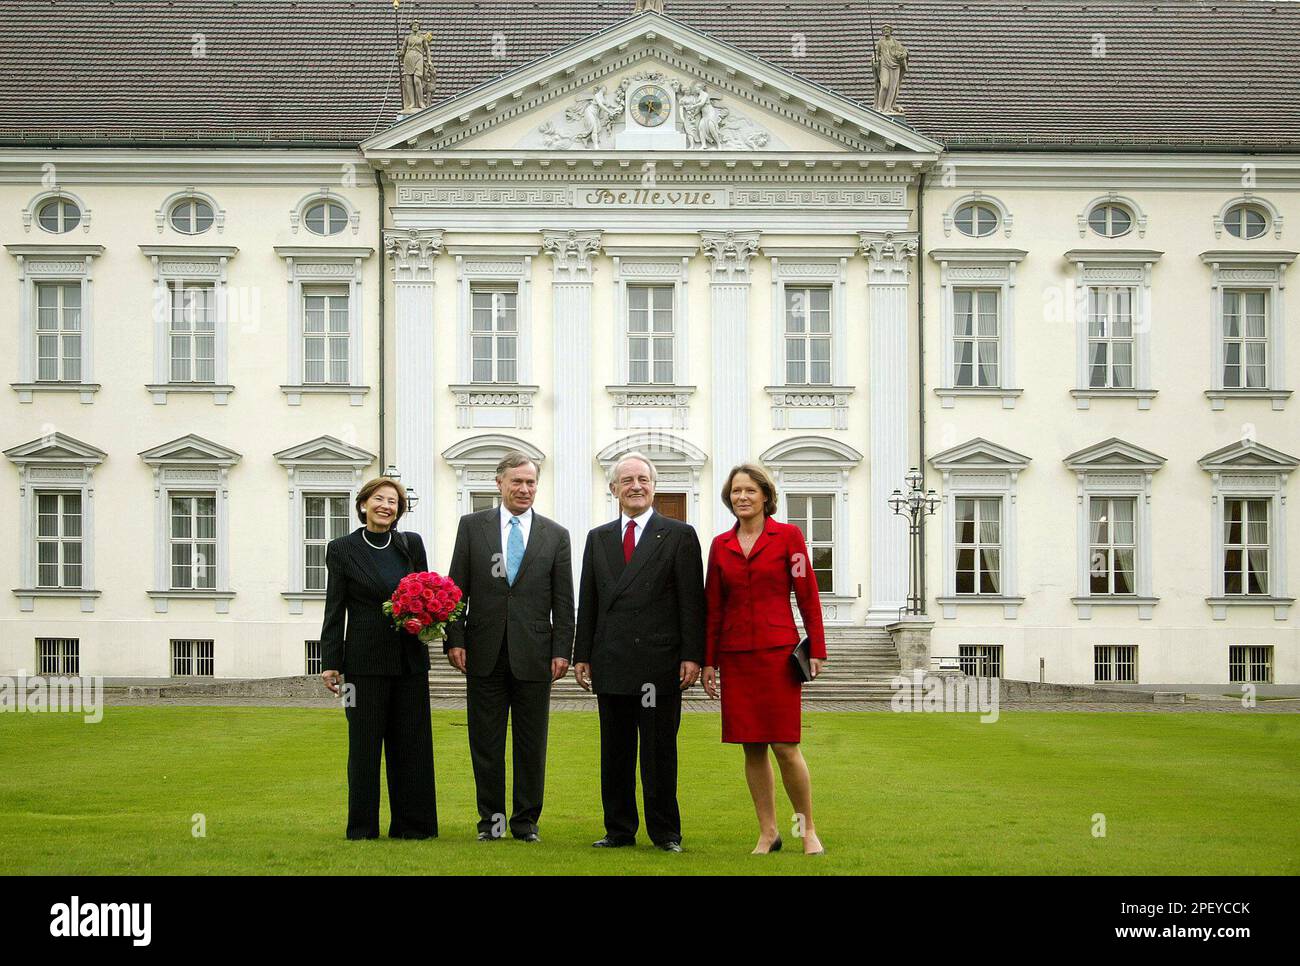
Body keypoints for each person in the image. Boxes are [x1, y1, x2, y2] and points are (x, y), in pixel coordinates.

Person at [573, 451, 705, 852]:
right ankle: (619, 831)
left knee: (659, 753)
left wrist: (692, 655)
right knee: (615, 753)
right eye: (627, 480)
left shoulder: (679, 535)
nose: (635, 486)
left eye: (643, 480)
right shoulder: (599, 538)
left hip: (659, 663)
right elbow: (590, 601)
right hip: (611, 660)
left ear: (653, 486)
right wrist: (583, 654)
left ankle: (666, 833)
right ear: (614, 489)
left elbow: (691, 601)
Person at [444, 452, 574, 842]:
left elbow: (564, 600)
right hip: (483, 653)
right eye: (517, 481)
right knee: (485, 743)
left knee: (532, 744)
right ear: (499, 483)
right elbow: (456, 589)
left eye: (531, 482)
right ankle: (491, 822)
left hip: (535, 654)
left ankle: (525, 822)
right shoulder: (472, 527)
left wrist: (562, 648)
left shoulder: (555, 534)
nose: (524, 489)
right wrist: (456, 638)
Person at [702, 462, 828, 855]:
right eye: (736, 492)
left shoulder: (789, 537)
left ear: (765, 496)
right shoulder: (721, 545)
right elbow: (713, 608)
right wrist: (709, 662)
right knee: (751, 746)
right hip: (736, 656)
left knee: (786, 745)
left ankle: (807, 831)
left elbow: (807, 593)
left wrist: (817, 647)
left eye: (749, 491)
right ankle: (768, 832)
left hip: (778, 655)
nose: (742, 497)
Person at [319, 476, 437, 840]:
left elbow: (426, 592)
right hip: (364, 662)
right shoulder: (341, 549)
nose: (386, 506)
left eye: (394, 501)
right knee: (365, 747)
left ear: (400, 510)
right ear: (364, 504)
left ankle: (413, 827)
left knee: (412, 745)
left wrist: (429, 621)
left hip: (408, 660)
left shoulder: (409, 544)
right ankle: (362, 827)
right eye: (380, 499)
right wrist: (330, 661)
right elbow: (334, 607)